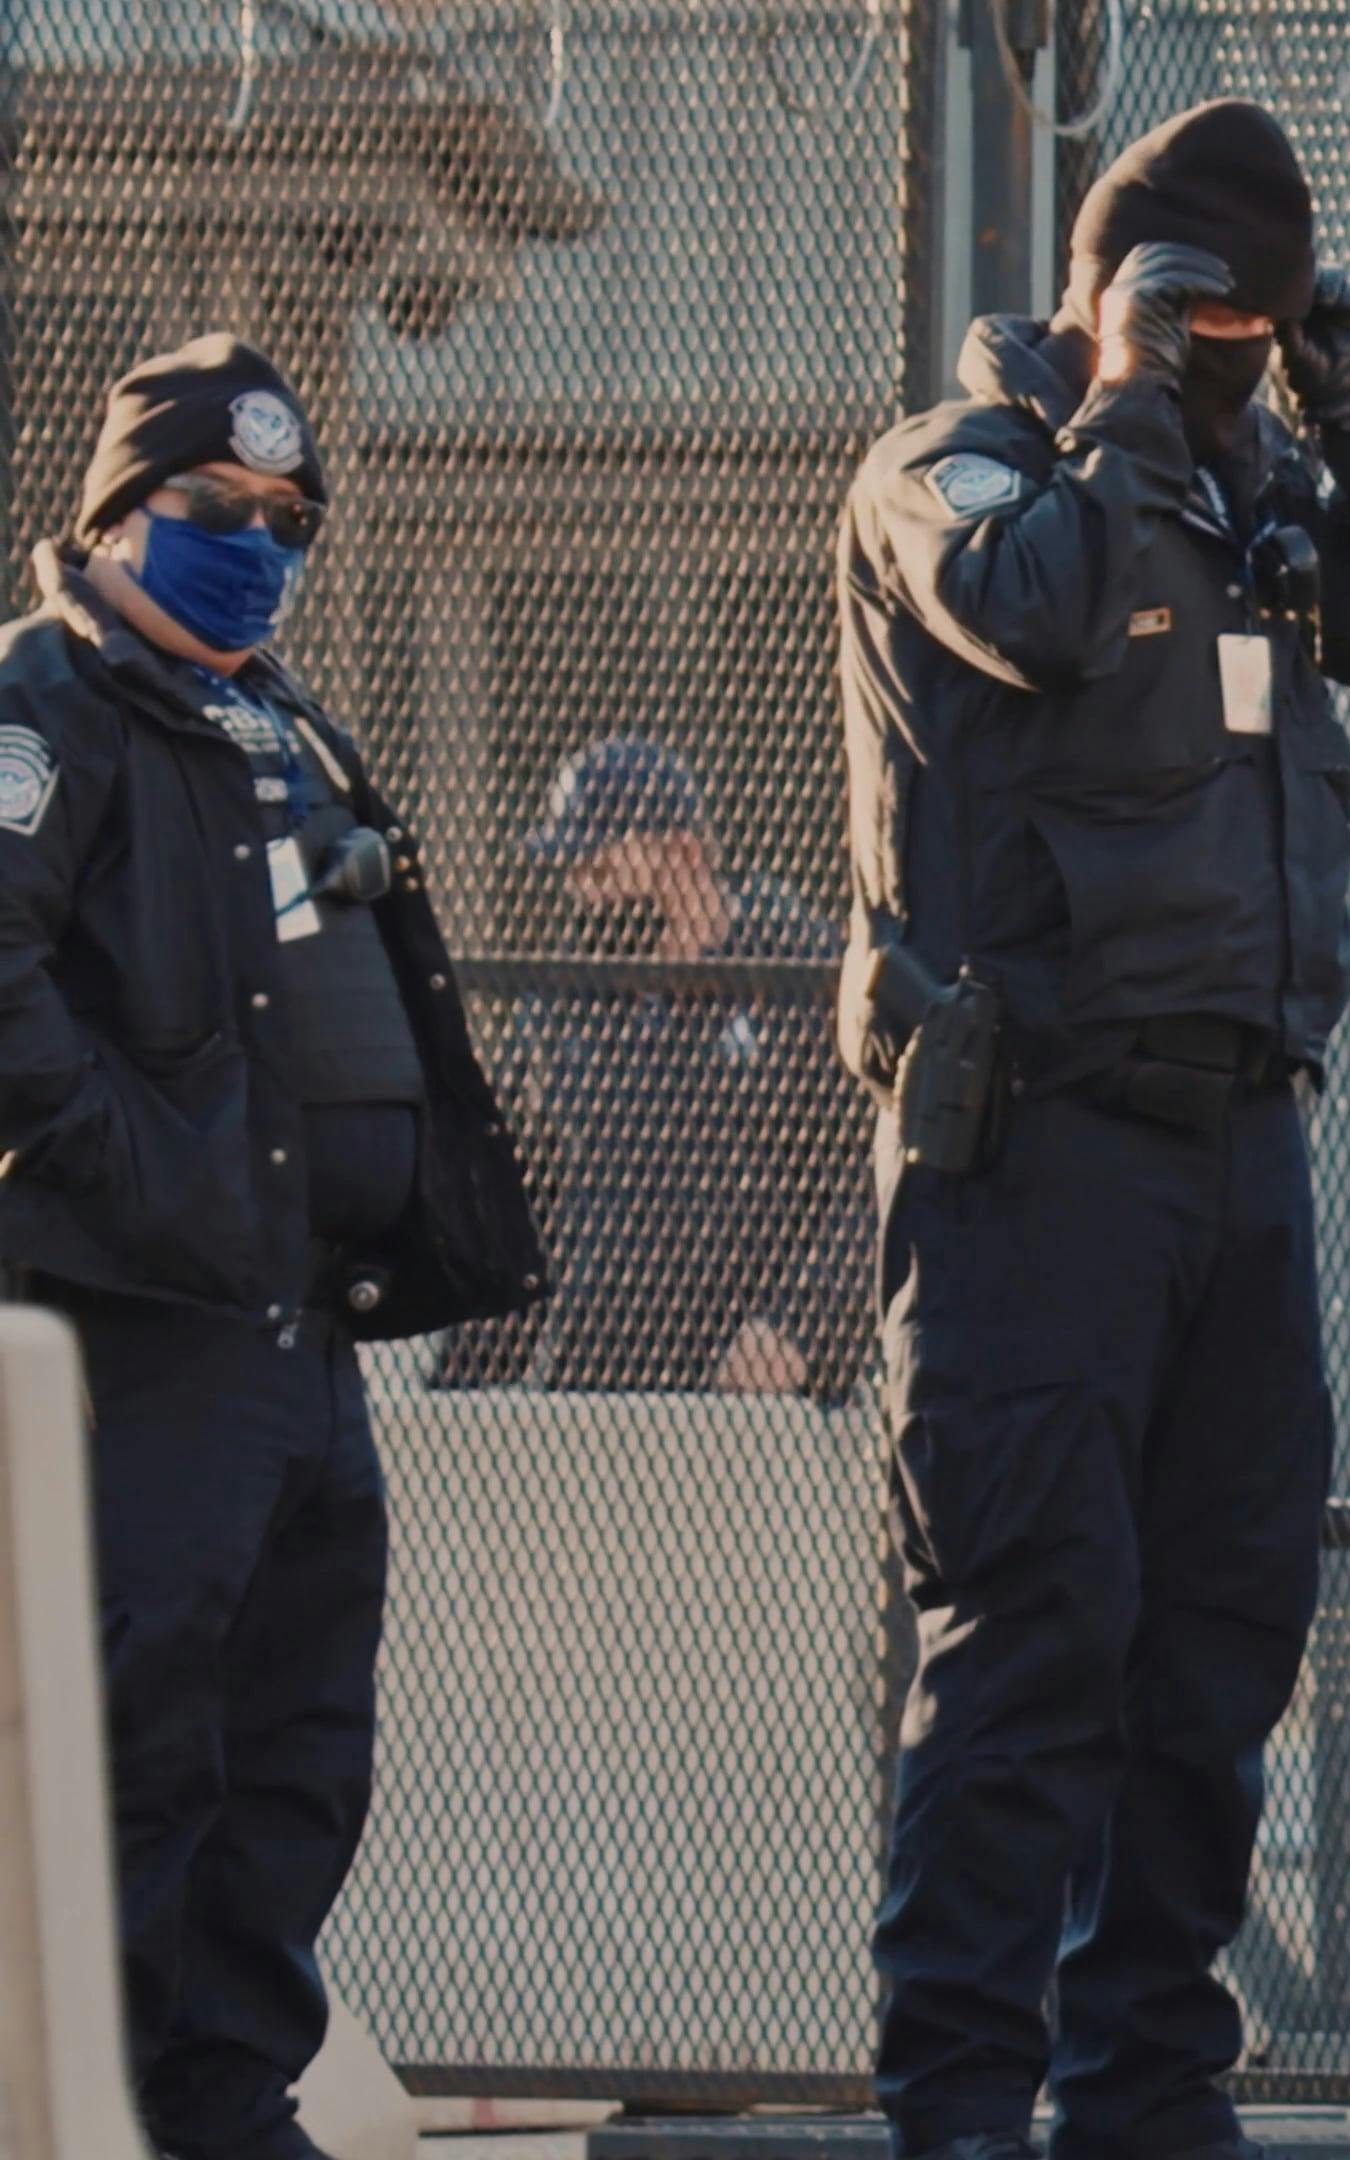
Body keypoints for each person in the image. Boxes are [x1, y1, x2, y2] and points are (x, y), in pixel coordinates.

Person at [832, 99, 1350, 2160]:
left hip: (1241, 1150)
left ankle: (1145, 2091)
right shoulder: (959, 468)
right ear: (1120, 293)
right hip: (1037, 1150)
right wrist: (1129, 396)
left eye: (1271, 324)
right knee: (1034, 1635)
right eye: (1215, 310)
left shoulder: (1255, 492)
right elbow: (1028, 609)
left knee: (1219, 1642)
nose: (1244, 353)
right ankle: (959, 2107)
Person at [0, 336, 543, 2160]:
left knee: (298, 1738)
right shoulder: (45, 709)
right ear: (115, 514)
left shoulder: (278, 715)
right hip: (148, 1323)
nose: (253, 538)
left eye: (283, 516)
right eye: (212, 508)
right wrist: (142, 1174)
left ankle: (230, 2097)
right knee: (145, 1727)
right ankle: (112, 2101)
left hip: (303, 1324)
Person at [432, 737, 868, 1396]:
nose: (581, 896)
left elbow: (879, 1183)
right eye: (573, 875)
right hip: (596, 1393)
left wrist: (803, 1329)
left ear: (683, 853)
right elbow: (522, 1203)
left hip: (758, 1407)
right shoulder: (564, 1003)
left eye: (600, 872)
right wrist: (459, 1391)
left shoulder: (808, 980)